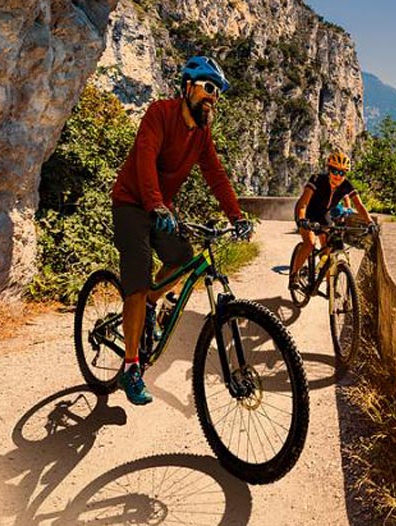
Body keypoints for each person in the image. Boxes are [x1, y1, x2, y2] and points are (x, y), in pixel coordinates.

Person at [110, 55, 252, 406]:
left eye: (216, 91)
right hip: (131, 202)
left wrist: (236, 215)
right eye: (207, 87)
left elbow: (215, 176)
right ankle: (131, 367)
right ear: (188, 87)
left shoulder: (202, 134)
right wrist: (156, 203)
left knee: (183, 258)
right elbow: (145, 157)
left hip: (160, 207)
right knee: (138, 280)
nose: (212, 96)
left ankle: (149, 308)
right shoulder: (160, 113)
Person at [290, 151, 373, 290]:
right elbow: (303, 203)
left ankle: (329, 285)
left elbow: (359, 205)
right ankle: (294, 275)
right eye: (335, 171)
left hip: (324, 215)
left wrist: (370, 222)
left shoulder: (346, 185)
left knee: (328, 248)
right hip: (307, 212)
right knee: (310, 243)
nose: (338, 176)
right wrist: (303, 219)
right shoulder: (317, 179)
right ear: (329, 169)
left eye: (342, 173)